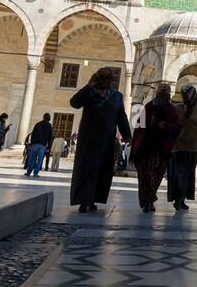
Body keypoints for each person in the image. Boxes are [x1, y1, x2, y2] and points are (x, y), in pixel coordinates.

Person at [69, 69, 132, 213]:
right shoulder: (89, 94)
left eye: (108, 79)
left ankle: (93, 199)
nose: (106, 82)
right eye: (102, 79)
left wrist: (127, 135)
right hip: (89, 140)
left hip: (107, 140)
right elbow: (74, 103)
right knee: (86, 169)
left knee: (102, 170)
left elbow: (121, 117)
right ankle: (84, 200)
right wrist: (88, 86)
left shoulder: (116, 96)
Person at [130, 84, 180, 212]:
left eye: (165, 92)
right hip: (145, 148)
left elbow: (177, 127)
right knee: (145, 177)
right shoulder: (148, 107)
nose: (162, 94)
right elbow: (139, 126)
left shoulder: (171, 110)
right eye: (160, 92)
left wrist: (166, 126)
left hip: (161, 149)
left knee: (155, 176)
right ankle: (147, 201)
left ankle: (149, 200)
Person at [167, 85, 197, 212]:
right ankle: (177, 198)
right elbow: (170, 121)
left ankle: (181, 199)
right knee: (179, 173)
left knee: (188, 173)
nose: (185, 98)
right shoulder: (178, 108)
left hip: (194, 146)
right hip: (179, 146)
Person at [25, 112, 53, 177]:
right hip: (42, 145)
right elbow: (50, 138)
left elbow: (33, 134)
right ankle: (36, 173)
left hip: (34, 144)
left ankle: (28, 172)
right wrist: (49, 147)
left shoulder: (38, 124)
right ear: (49, 119)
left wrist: (31, 143)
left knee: (32, 159)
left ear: (43, 117)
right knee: (39, 160)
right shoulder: (49, 126)